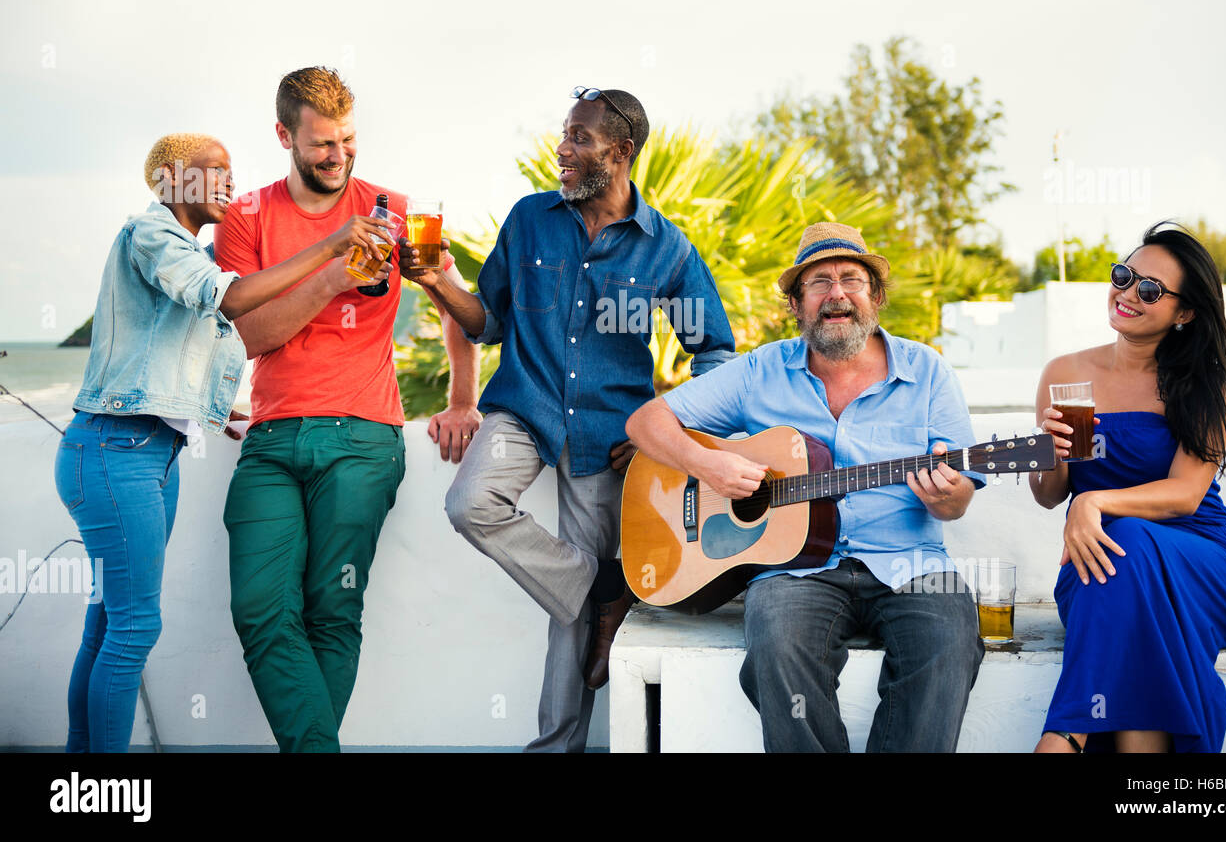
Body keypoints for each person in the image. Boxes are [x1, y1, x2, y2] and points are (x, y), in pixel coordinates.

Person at [399, 87, 735, 751]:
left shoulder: (665, 248)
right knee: (471, 502)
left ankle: (556, 747)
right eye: (564, 135)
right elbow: (488, 321)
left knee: (569, 625)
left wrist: (668, 437)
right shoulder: (530, 219)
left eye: (579, 137)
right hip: (524, 406)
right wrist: (435, 280)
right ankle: (602, 585)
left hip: (612, 433)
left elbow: (716, 353)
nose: (563, 149)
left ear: (621, 150)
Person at [56, 132, 392, 752]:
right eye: (213, 171)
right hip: (113, 451)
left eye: (232, 171)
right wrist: (333, 244)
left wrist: (210, 411)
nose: (230, 183)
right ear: (171, 181)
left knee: (108, 623)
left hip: (151, 451)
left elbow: (176, 348)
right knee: (133, 629)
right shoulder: (150, 234)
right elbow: (232, 298)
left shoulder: (188, 249)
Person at [625, 222, 986, 752]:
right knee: (777, 647)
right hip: (795, 570)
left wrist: (947, 494)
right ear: (797, 303)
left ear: (876, 296)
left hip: (910, 561)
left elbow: (958, 501)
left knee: (950, 643)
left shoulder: (927, 371)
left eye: (851, 280)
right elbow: (645, 422)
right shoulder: (758, 371)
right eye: (819, 282)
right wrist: (705, 464)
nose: (836, 294)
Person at [212, 67, 480, 752]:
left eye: (349, 140)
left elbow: (461, 306)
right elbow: (249, 334)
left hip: (364, 440)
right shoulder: (246, 217)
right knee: (261, 608)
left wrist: (460, 397)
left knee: (333, 609)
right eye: (323, 144)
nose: (339, 156)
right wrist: (335, 274)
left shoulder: (392, 208)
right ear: (285, 136)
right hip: (272, 440)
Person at [1029, 223, 1226, 754]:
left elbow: (1184, 495)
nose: (1128, 293)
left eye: (1150, 289)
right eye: (1123, 276)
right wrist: (1051, 455)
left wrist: (1095, 501)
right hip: (1102, 569)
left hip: (1202, 563)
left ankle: (1067, 733)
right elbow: (1048, 494)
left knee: (1130, 537)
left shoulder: (1207, 385)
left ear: (1184, 312)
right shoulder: (1065, 373)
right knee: (1126, 558)